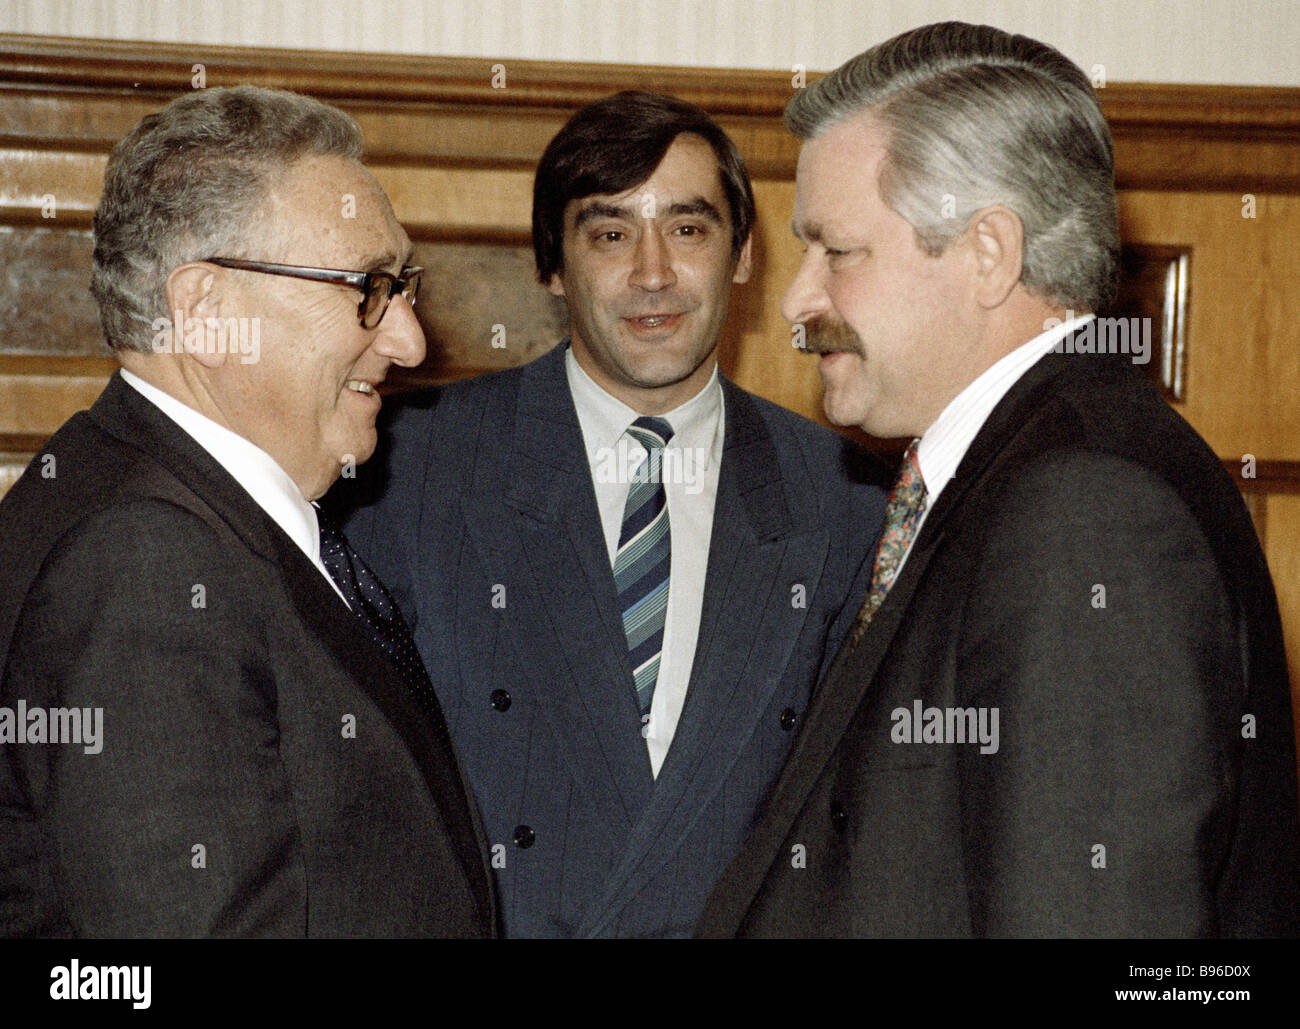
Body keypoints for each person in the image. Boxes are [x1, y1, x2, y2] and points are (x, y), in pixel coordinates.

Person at [697, 21, 1300, 937]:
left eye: (837, 251)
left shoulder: (1086, 507)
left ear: (988, 253)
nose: (796, 299)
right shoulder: (1020, 471)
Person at [332, 90, 888, 937]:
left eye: (690, 228)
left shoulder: (846, 502)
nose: (654, 272)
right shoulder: (404, 472)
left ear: (742, 255)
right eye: (610, 232)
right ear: (552, 265)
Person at [0, 85, 494, 937]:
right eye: (367, 287)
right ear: (205, 310)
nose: (410, 340)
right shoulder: (143, 562)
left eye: (401, 285)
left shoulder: (167, 504)